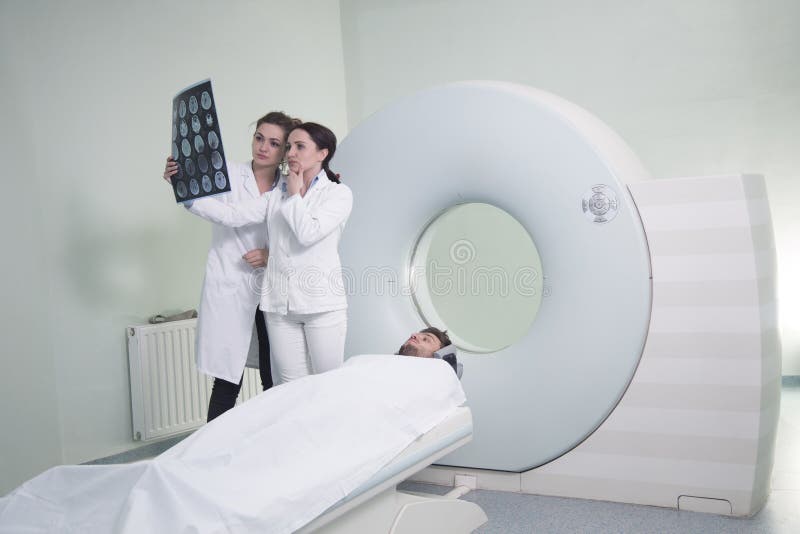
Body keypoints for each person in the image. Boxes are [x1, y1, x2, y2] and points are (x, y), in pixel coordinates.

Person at [183, 122, 353, 385]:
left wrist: (294, 194)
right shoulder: (277, 195)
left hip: (320, 305)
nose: (291, 152)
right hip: (279, 307)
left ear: (323, 153)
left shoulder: (338, 194)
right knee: (289, 389)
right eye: (289, 146)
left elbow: (308, 233)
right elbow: (232, 215)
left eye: (300, 147)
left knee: (329, 385)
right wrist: (186, 194)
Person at [163, 111, 301, 421]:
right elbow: (215, 208)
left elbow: (300, 237)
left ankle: (272, 441)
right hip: (230, 280)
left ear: (284, 150)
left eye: (274, 143)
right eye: (259, 138)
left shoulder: (288, 187)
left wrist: (270, 256)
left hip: (271, 287)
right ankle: (211, 446)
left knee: (273, 375)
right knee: (227, 380)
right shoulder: (226, 172)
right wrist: (179, 181)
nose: (263, 147)